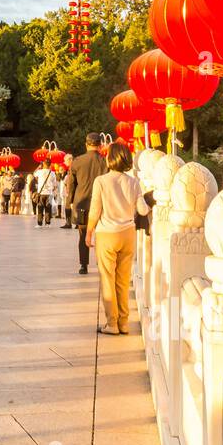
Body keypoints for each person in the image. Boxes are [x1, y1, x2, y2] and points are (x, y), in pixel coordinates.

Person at [86, 144, 151, 335]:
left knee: (108, 279)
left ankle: (112, 323)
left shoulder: (101, 181)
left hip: (107, 233)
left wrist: (89, 232)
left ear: (110, 159)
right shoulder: (133, 182)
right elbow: (142, 210)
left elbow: (95, 209)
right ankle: (124, 323)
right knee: (123, 281)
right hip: (128, 233)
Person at [63, 132, 108, 275]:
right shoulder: (105, 161)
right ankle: (102, 264)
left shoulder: (77, 161)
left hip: (81, 203)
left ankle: (83, 265)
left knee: (82, 235)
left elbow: (71, 184)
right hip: (101, 202)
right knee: (101, 234)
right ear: (100, 145)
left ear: (86, 144)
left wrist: (69, 202)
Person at [30, 161, 56, 226]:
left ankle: (39, 224)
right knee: (48, 208)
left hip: (41, 193)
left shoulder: (39, 171)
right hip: (49, 193)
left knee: (40, 208)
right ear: (50, 165)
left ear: (43, 164)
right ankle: (48, 224)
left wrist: (39, 167)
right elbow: (55, 185)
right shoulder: (52, 173)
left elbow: (33, 174)